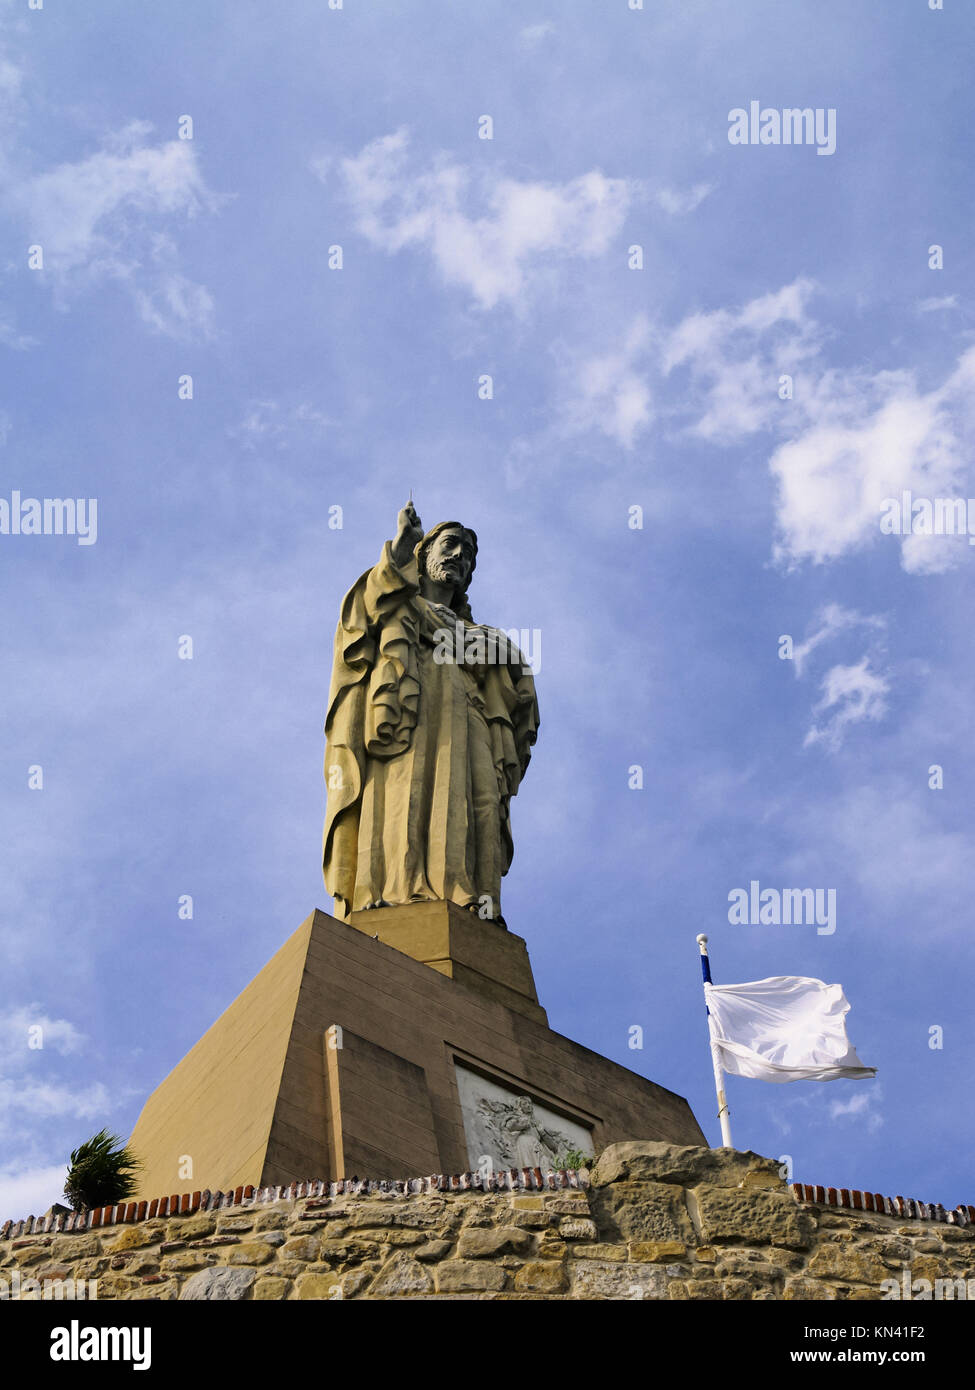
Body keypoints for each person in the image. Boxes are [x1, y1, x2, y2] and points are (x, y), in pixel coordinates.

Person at [322, 501, 538, 926]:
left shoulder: (484, 637)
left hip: (471, 714)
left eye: (469, 555)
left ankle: (474, 900)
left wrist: (475, 646)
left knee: (476, 803)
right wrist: (398, 550)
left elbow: (516, 676)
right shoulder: (397, 601)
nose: (461, 556)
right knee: (407, 792)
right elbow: (362, 614)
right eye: (451, 545)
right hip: (408, 711)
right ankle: (391, 891)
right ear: (425, 554)